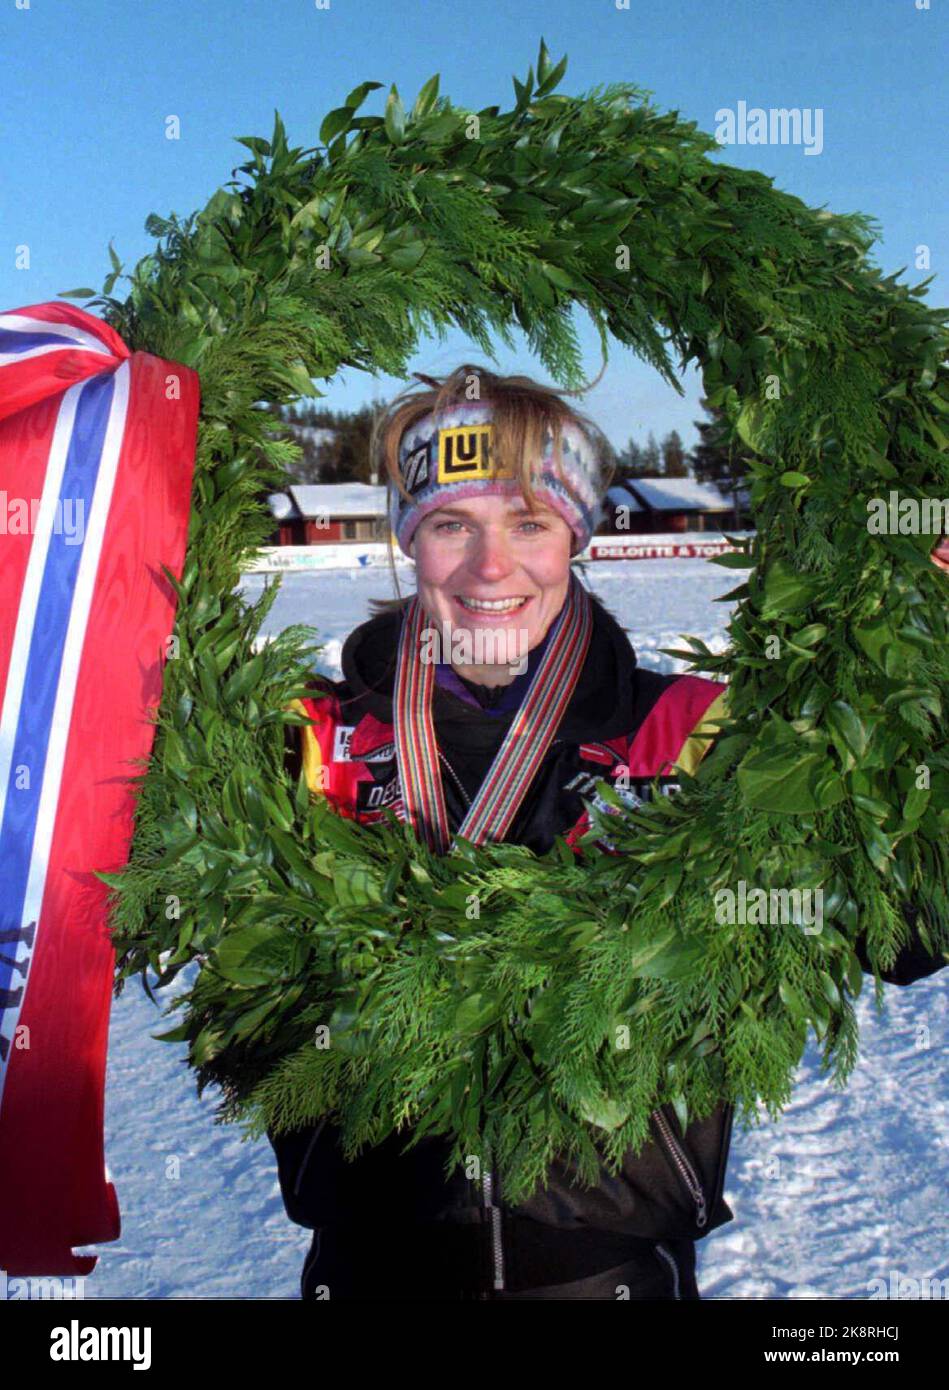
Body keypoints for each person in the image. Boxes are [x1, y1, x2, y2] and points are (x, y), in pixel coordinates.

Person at [268, 365, 946, 1301]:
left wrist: (923, 669)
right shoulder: (310, 742)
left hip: (612, 1273)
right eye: (451, 525)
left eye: (529, 524)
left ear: (576, 540)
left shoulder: (693, 735)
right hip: (366, 1267)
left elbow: (905, 928)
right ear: (408, 544)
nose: (490, 566)